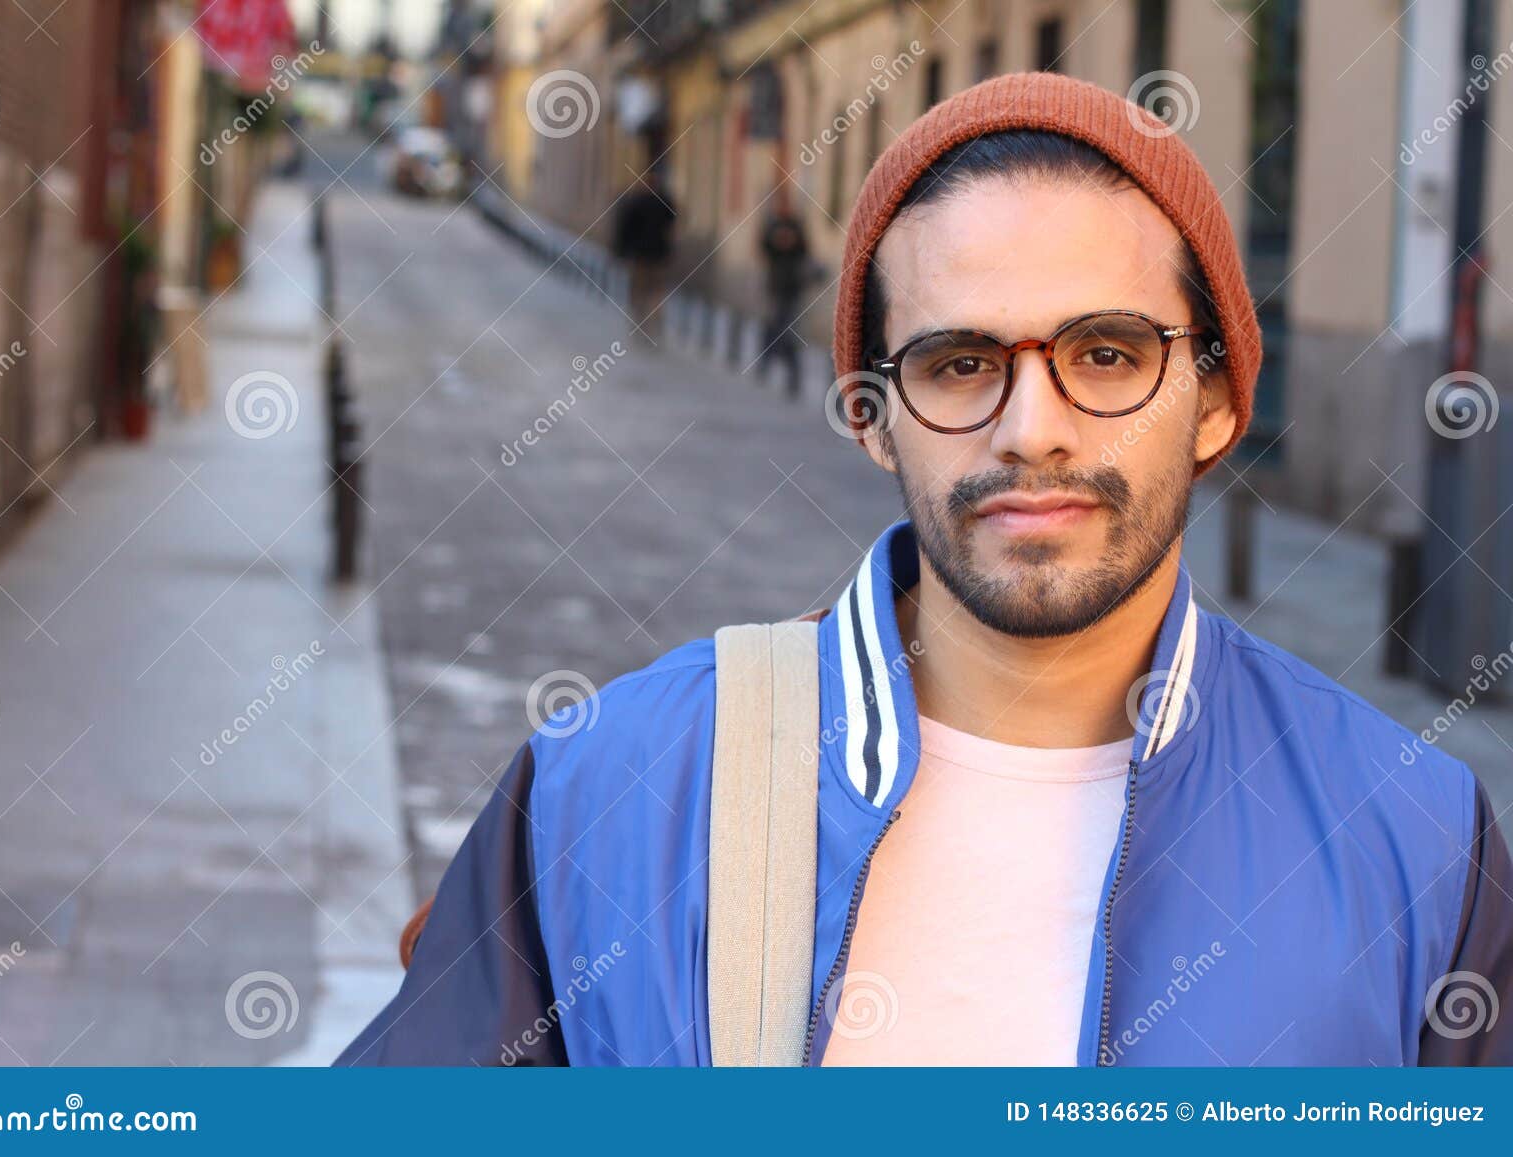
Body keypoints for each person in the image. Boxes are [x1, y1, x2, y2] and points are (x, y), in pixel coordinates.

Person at [338, 72, 1513, 1067]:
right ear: (871, 415)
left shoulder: (1416, 840)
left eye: (1108, 354)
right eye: (959, 364)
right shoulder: (604, 791)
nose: (1031, 430)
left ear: (1215, 400)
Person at [758, 194, 815, 397]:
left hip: (793, 286)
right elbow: (763, 247)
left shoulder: (796, 226)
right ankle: (767, 361)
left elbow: (805, 250)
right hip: (775, 285)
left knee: (788, 330)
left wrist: (792, 241)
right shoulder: (772, 225)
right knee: (772, 325)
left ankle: (792, 372)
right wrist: (776, 241)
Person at [612, 169, 677, 344]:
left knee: (640, 293)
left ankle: (641, 327)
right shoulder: (665, 203)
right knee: (656, 294)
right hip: (659, 255)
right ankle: (654, 330)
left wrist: (621, 252)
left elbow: (625, 230)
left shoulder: (636, 202)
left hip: (641, 256)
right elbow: (673, 225)